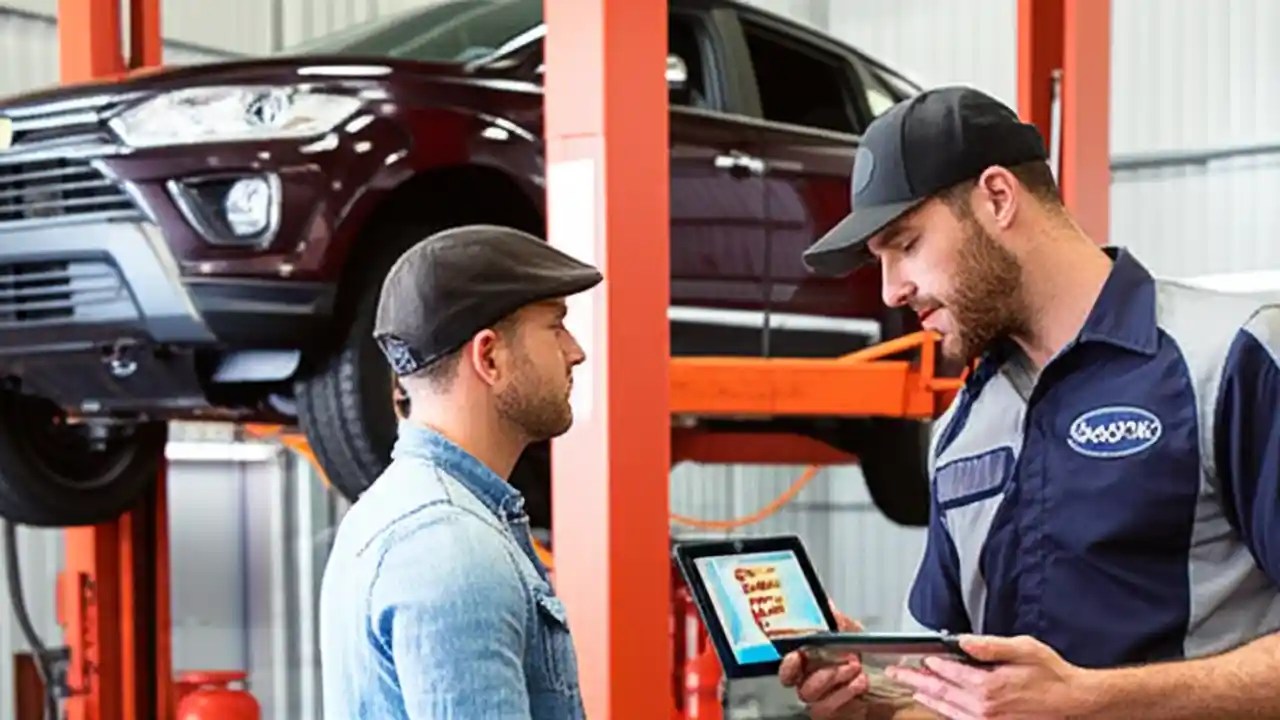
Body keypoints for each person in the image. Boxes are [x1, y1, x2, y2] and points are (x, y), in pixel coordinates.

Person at [781, 85, 1280, 719]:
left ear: (997, 197)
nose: (890, 291)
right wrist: (867, 697)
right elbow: (959, 700)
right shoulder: (963, 429)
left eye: (905, 245)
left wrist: (1091, 701)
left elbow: (1056, 704)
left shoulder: (1230, 358)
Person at [318, 224, 600, 719]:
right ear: (489, 356)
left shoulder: (392, 511)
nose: (575, 351)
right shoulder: (452, 546)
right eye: (555, 326)